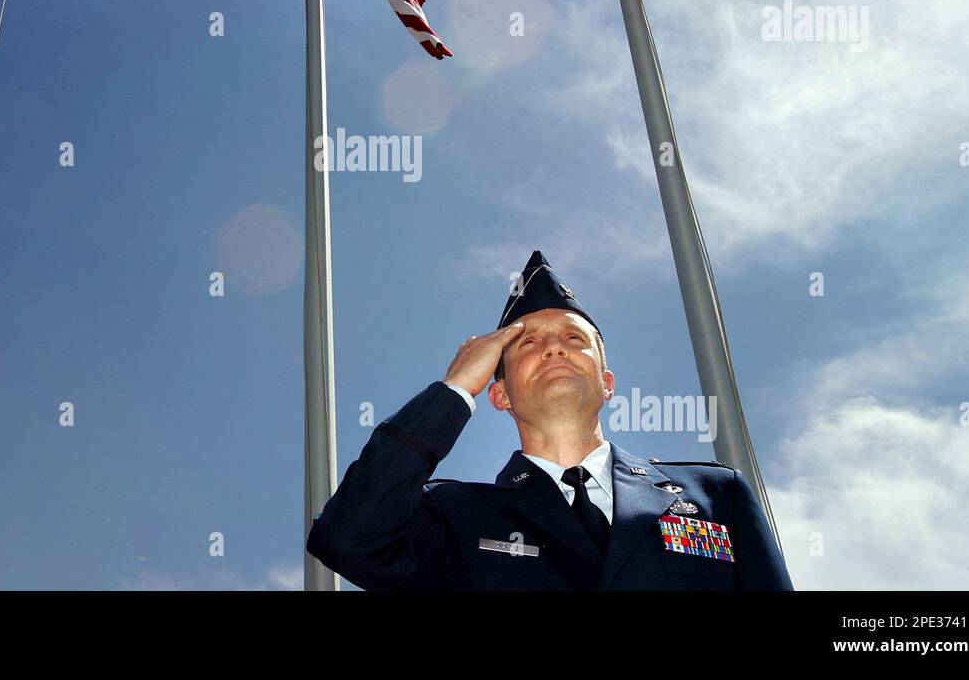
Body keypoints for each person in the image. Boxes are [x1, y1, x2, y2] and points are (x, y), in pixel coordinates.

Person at [306, 250, 794, 590]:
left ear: (607, 382)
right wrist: (454, 391)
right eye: (527, 342)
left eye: (575, 339)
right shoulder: (452, 516)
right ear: (499, 394)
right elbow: (347, 538)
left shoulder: (713, 495)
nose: (555, 346)